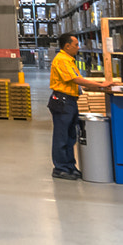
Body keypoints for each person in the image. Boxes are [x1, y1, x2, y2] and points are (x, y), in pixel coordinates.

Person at [49, 34, 114, 180]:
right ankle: (60, 168)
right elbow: (76, 79)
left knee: (71, 137)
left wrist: (98, 87)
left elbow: (78, 82)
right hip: (62, 102)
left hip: (70, 101)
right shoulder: (62, 60)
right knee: (61, 137)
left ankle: (70, 167)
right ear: (67, 46)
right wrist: (100, 85)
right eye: (76, 45)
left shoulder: (69, 60)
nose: (78, 47)